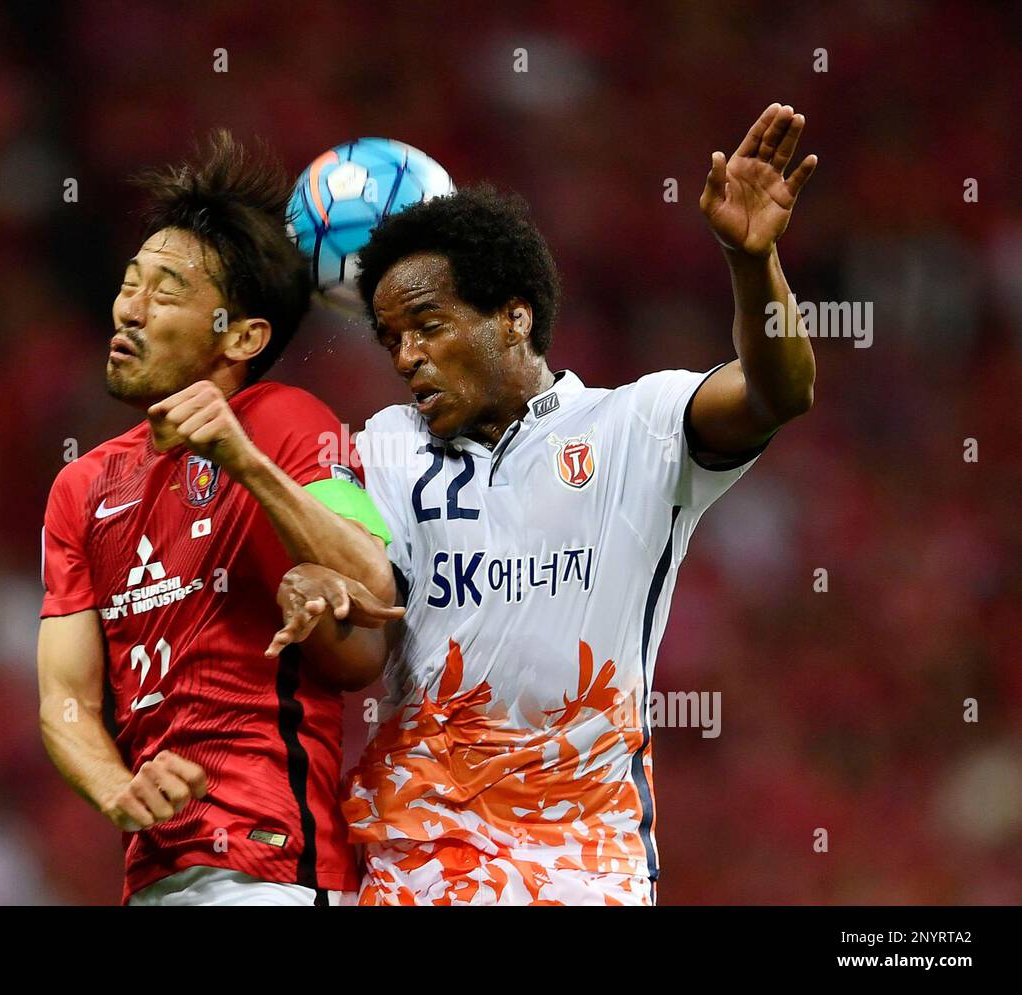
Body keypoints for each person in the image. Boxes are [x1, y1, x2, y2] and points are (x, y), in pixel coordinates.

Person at [267, 103, 819, 905]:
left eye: (427, 325)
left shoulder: (639, 425)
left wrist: (750, 261)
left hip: (584, 863)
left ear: (513, 316)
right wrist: (315, 592)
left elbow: (782, 389)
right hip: (416, 863)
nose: (407, 356)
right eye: (390, 340)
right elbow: (359, 645)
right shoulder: (386, 443)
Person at [37, 130, 395, 906]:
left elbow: (374, 602)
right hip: (155, 880)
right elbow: (63, 695)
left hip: (273, 869)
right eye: (130, 282)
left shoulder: (295, 423)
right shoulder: (81, 487)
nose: (129, 307)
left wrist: (246, 462)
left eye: (165, 292)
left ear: (242, 335)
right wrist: (116, 788)